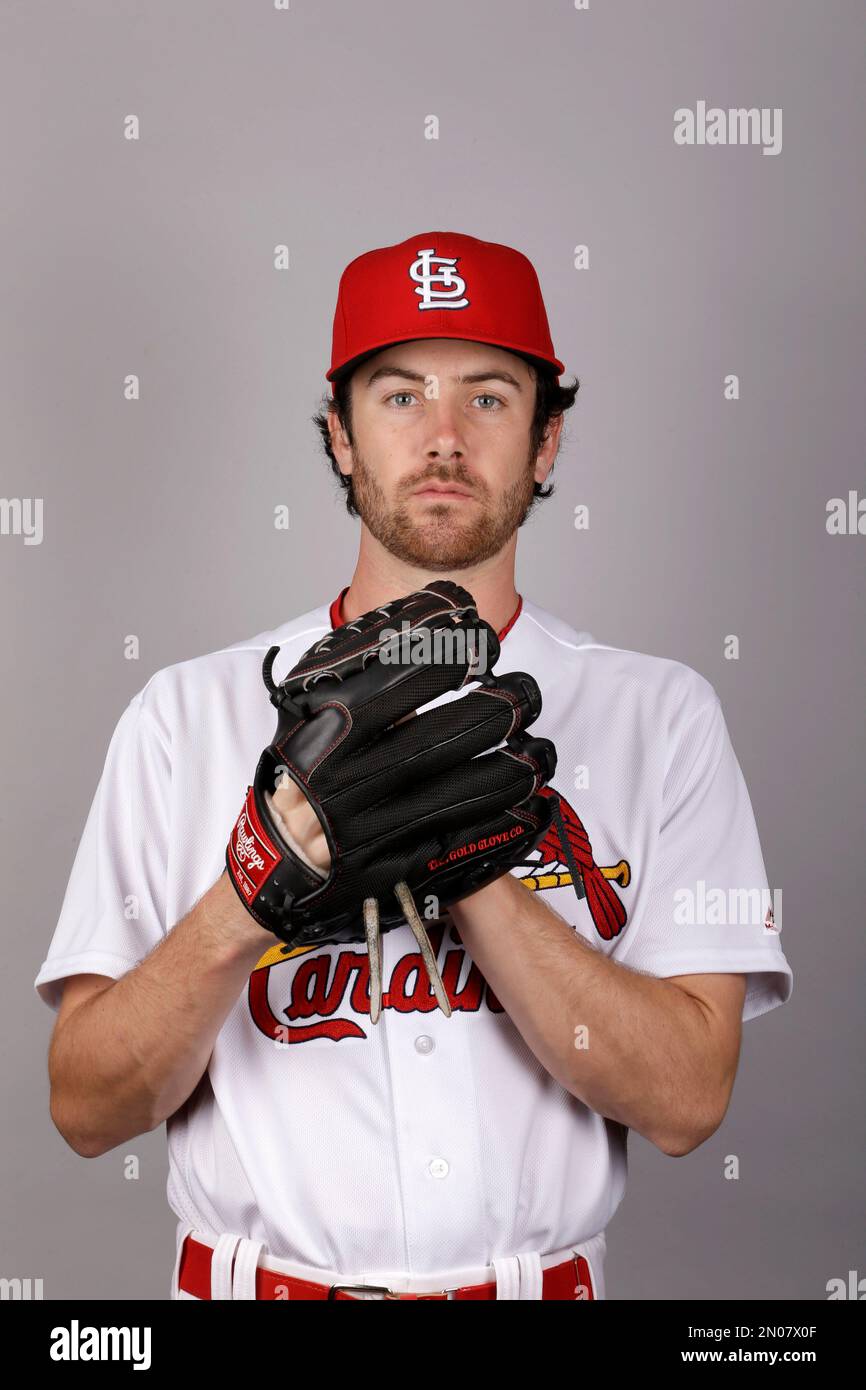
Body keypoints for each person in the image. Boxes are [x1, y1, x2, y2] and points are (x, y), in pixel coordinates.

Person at [35, 230, 793, 1301]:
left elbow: (683, 1101)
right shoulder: (184, 717)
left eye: (487, 397)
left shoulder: (660, 715)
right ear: (340, 437)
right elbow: (87, 1107)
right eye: (398, 397)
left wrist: (462, 853)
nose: (442, 438)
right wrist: (258, 883)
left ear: (545, 441)